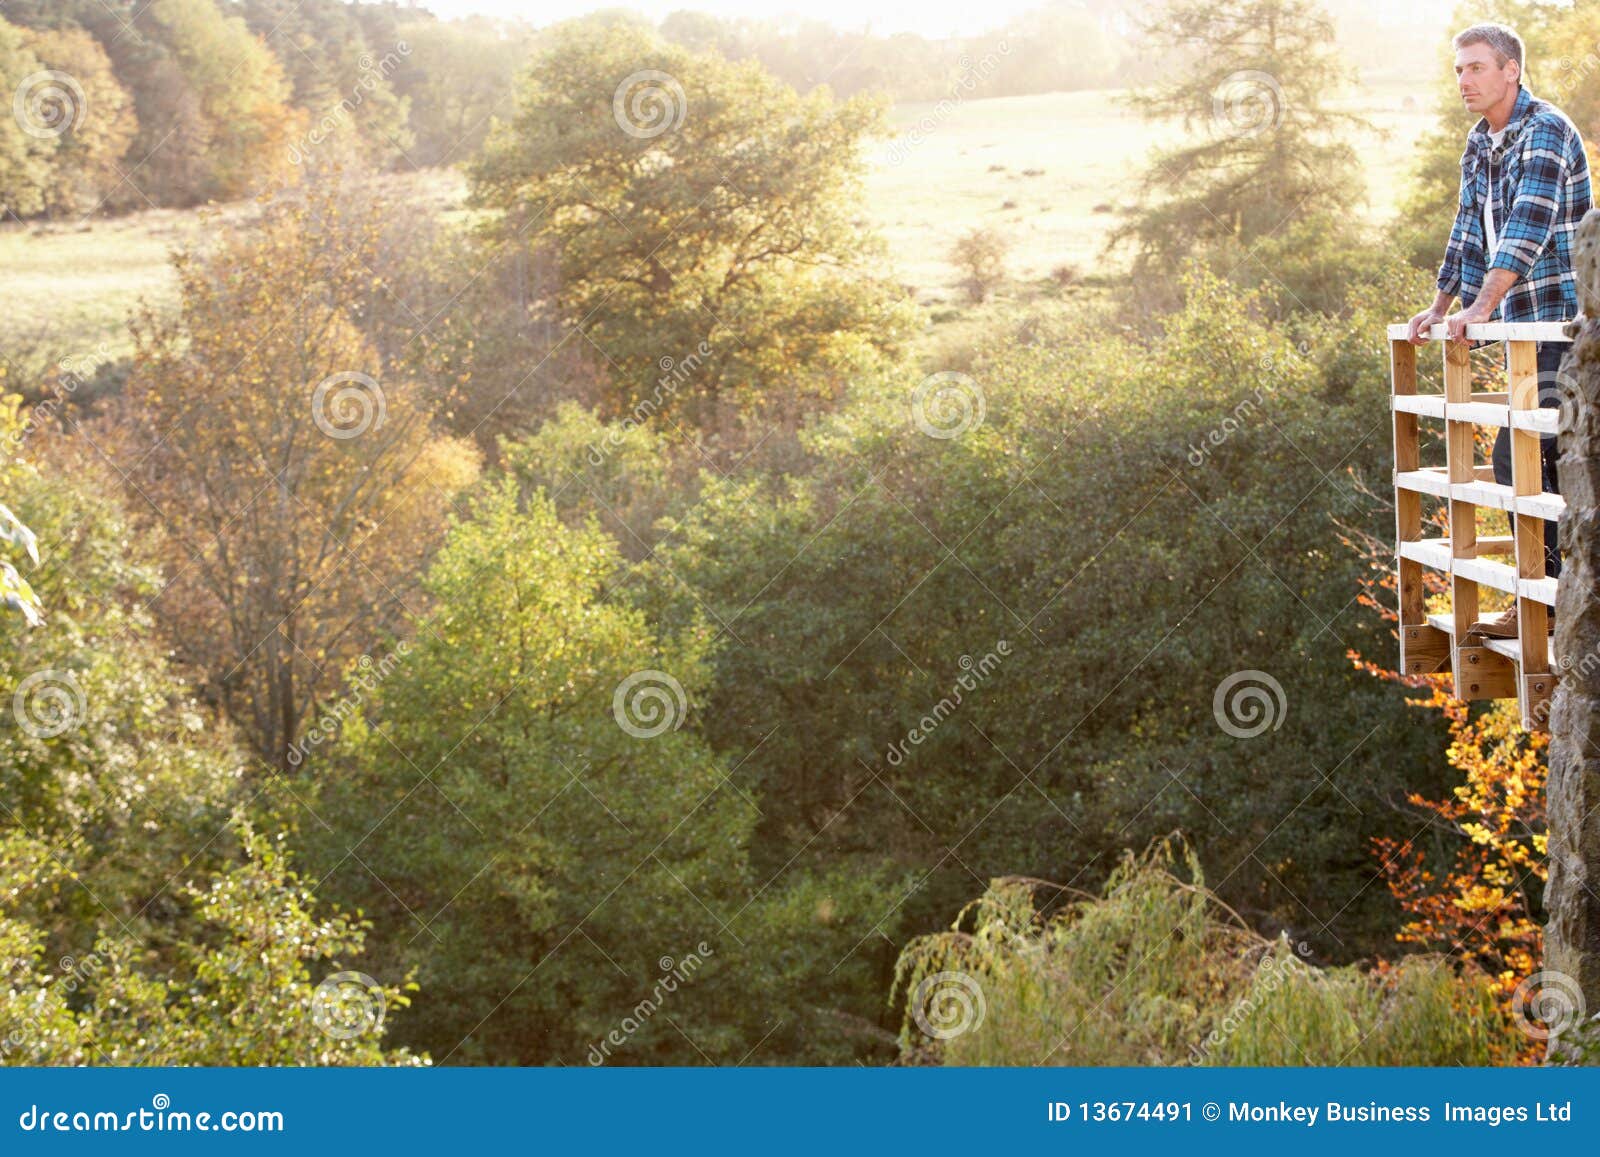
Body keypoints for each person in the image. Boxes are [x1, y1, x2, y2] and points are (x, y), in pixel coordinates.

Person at [1406, 22, 1592, 640]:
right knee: (1526, 458)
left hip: (1562, 323)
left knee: (1526, 457)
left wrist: (1481, 307)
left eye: (1477, 68)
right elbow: (1467, 230)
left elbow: (1525, 230)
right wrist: (1438, 308)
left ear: (1512, 69)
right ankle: (1548, 597)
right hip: (1523, 328)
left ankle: (1553, 599)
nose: (1464, 80)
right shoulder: (1480, 142)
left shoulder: (1546, 131)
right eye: (1459, 70)